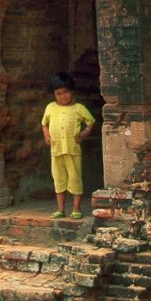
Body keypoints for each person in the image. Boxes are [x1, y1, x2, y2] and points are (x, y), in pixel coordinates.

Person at [41, 72, 95, 219]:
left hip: (72, 149)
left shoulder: (78, 108)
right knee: (59, 179)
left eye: (65, 92)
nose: (62, 96)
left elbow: (91, 122)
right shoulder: (50, 107)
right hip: (56, 150)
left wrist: (84, 134)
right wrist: (46, 135)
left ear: (72, 92)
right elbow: (44, 124)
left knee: (75, 178)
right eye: (58, 93)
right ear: (54, 94)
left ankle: (76, 209)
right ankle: (60, 209)